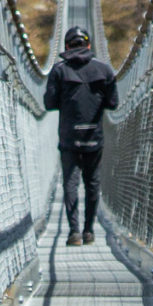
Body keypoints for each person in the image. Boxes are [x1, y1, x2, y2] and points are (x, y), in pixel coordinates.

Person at [43, 26, 117, 244]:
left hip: (69, 138)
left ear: (67, 46)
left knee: (70, 183)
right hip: (94, 137)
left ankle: (74, 232)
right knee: (92, 183)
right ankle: (89, 231)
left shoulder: (59, 70)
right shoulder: (104, 70)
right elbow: (113, 103)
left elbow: (49, 103)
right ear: (89, 45)